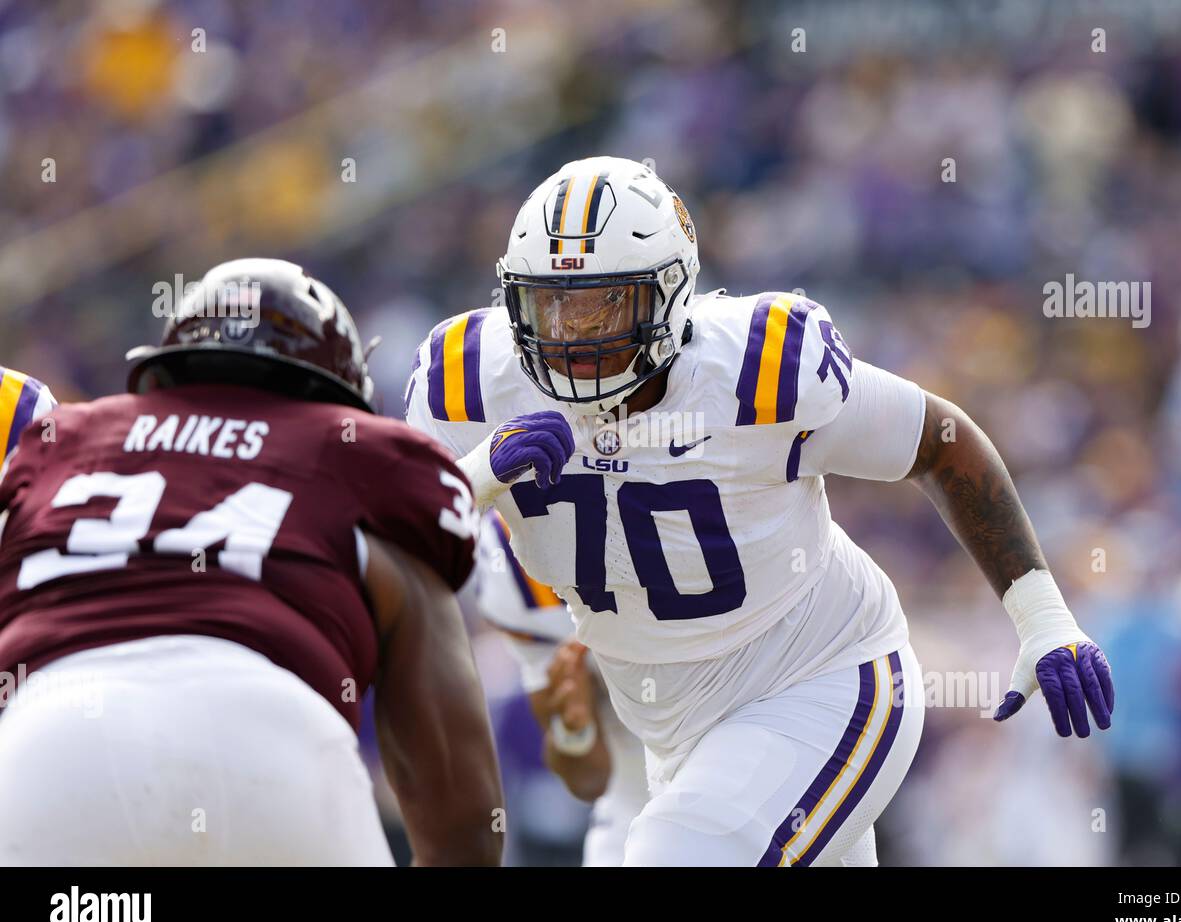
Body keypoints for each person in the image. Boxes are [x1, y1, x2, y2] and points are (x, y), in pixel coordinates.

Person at [406, 158, 1114, 866]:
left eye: (603, 305)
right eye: (549, 304)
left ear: (670, 292)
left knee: (668, 852)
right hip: (677, 739)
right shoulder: (473, 384)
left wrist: (1042, 616)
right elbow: (396, 544)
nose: (572, 334)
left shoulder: (754, 369)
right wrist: (474, 476)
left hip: (826, 679)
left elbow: (940, 442)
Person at [0, 259, 502, 866]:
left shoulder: (64, 440)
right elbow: (465, 825)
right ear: (338, 397)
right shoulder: (371, 458)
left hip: (47, 752)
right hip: (273, 751)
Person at [475, 509, 647, 865]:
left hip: (758, 768)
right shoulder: (511, 563)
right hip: (636, 811)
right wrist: (574, 728)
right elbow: (587, 781)